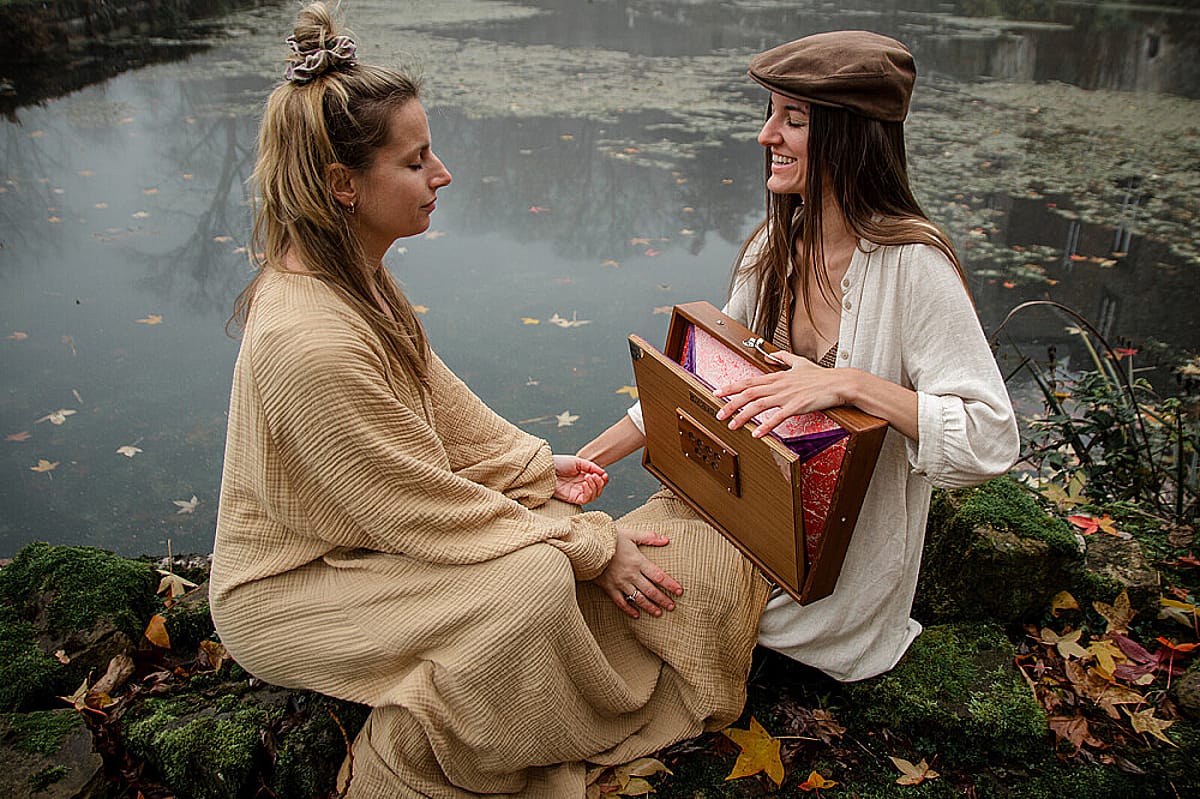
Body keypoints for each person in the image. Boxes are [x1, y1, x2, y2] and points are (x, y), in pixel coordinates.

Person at [208, 3, 767, 796]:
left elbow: (444, 407)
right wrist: (582, 542)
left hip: (365, 534)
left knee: (584, 547)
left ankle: (539, 674)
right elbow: (413, 507)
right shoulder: (311, 338)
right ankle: (431, 741)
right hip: (291, 586)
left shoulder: (351, 274)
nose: (442, 175)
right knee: (534, 580)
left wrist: (540, 468)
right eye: (416, 161)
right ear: (343, 185)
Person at [580, 30, 1019, 682]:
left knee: (622, 606)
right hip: (733, 509)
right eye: (769, 115)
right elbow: (700, 383)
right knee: (592, 572)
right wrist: (584, 465)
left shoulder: (914, 268)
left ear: (853, 133)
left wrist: (849, 385)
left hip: (828, 577)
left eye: (794, 119)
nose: (767, 137)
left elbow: (991, 438)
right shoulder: (775, 246)